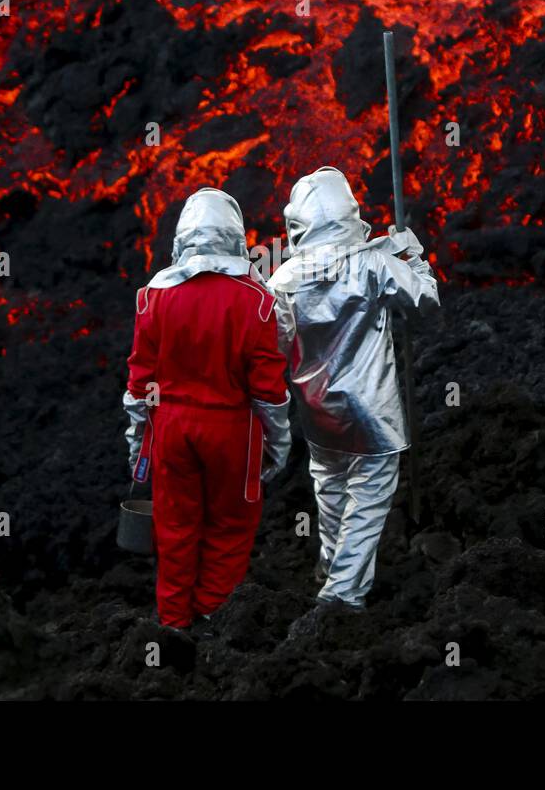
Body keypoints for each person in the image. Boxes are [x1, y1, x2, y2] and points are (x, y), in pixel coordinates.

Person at [267, 167, 439, 610]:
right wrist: (414, 256)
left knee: (331, 489)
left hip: (317, 412)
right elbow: (425, 302)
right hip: (372, 411)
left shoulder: (281, 281)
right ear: (349, 212)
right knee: (367, 499)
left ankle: (329, 566)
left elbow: (273, 345)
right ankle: (341, 597)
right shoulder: (371, 264)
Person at [122, 188, 291, 631]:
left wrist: (137, 441)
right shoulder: (257, 301)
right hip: (232, 431)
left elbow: (141, 385)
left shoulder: (152, 297)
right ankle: (215, 622)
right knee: (229, 527)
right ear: (235, 237)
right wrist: (278, 445)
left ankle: (173, 625)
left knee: (175, 528)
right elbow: (269, 391)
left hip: (171, 430)